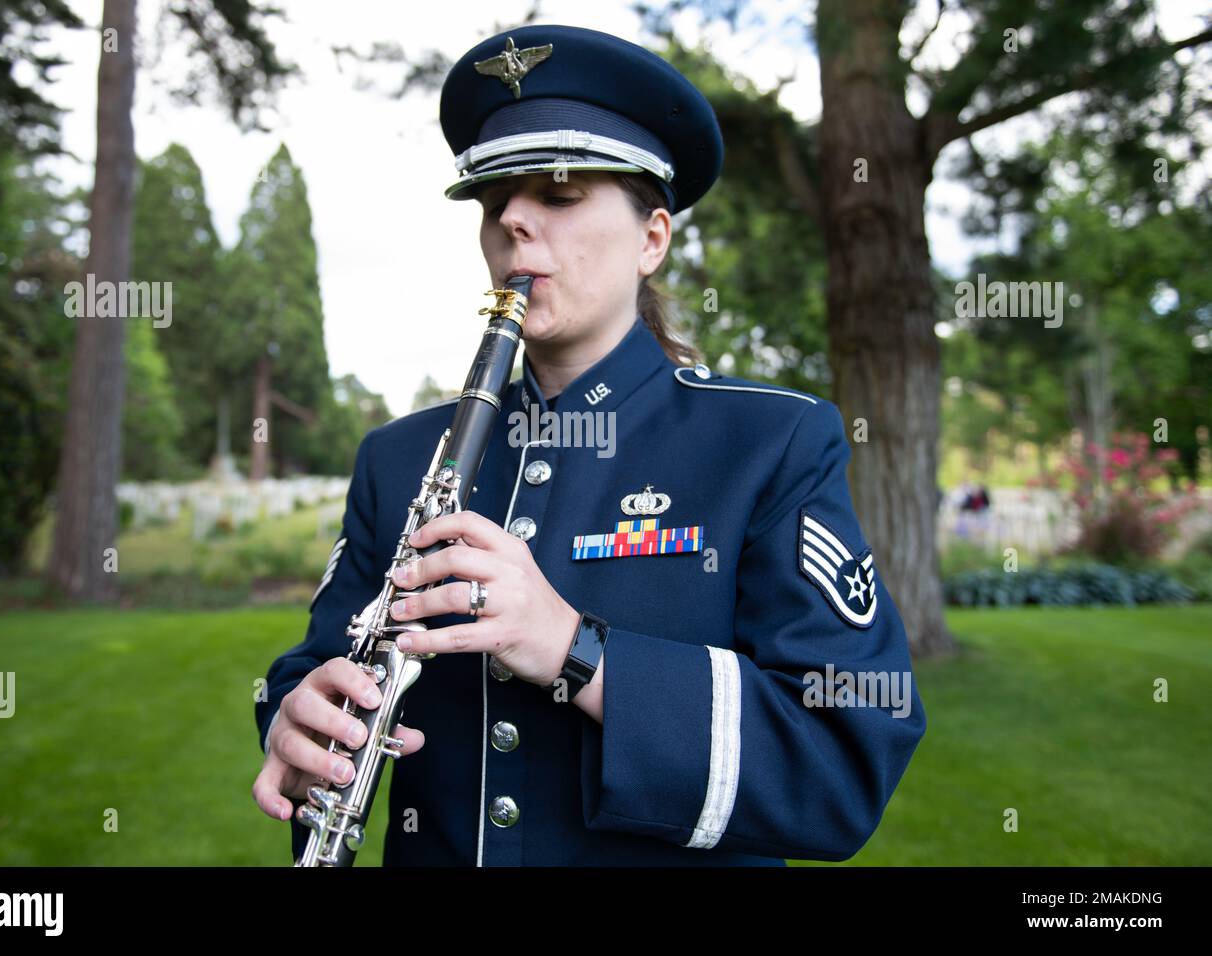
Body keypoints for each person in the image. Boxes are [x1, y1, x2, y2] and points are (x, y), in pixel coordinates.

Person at [252, 23, 926, 866]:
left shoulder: (770, 441)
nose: (514, 227)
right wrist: (291, 716)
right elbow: (313, 665)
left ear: (653, 238)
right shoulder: (398, 459)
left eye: (560, 196)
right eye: (495, 203)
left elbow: (841, 763)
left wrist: (576, 650)